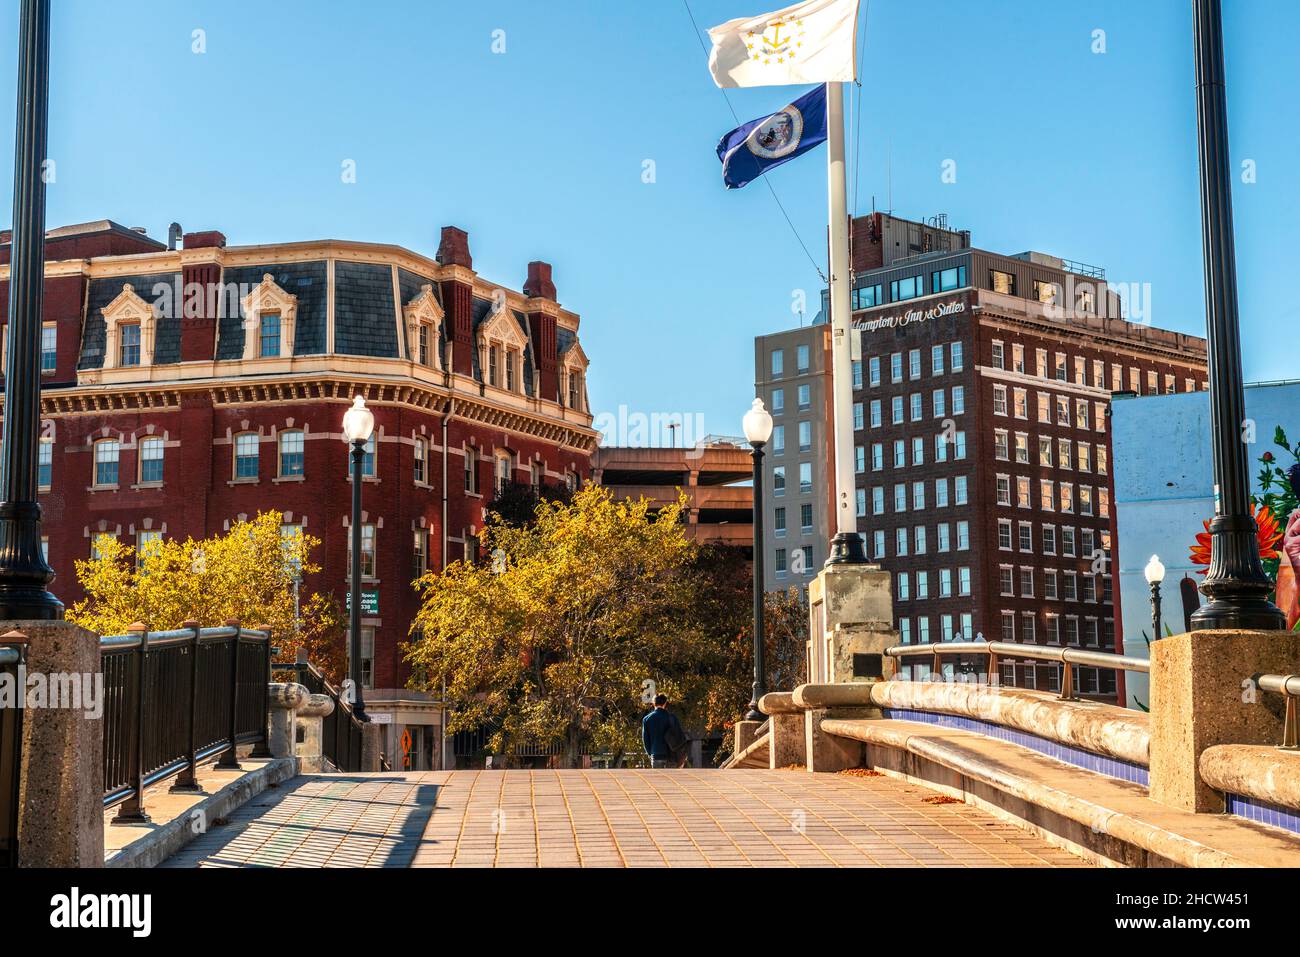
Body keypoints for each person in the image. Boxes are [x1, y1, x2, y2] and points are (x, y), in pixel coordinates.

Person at [642, 693, 685, 769]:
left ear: (653, 703)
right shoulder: (672, 718)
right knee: (671, 780)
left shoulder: (647, 719)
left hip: (656, 754)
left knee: (658, 780)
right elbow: (680, 737)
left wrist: (650, 753)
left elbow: (646, 740)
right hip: (671, 755)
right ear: (665, 703)